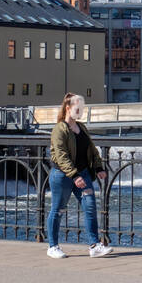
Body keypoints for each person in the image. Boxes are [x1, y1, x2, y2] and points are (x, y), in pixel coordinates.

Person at [46, 92, 112, 258]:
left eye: (82, 108)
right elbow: (61, 155)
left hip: (83, 173)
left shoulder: (81, 127)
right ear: (68, 108)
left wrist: (98, 167)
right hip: (63, 176)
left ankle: (95, 245)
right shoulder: (59, 129)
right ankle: (52, 246)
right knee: (58, 209)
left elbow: (91, 149)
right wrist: (75, 176)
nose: (81, 111)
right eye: (78, 108)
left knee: (90, 206)